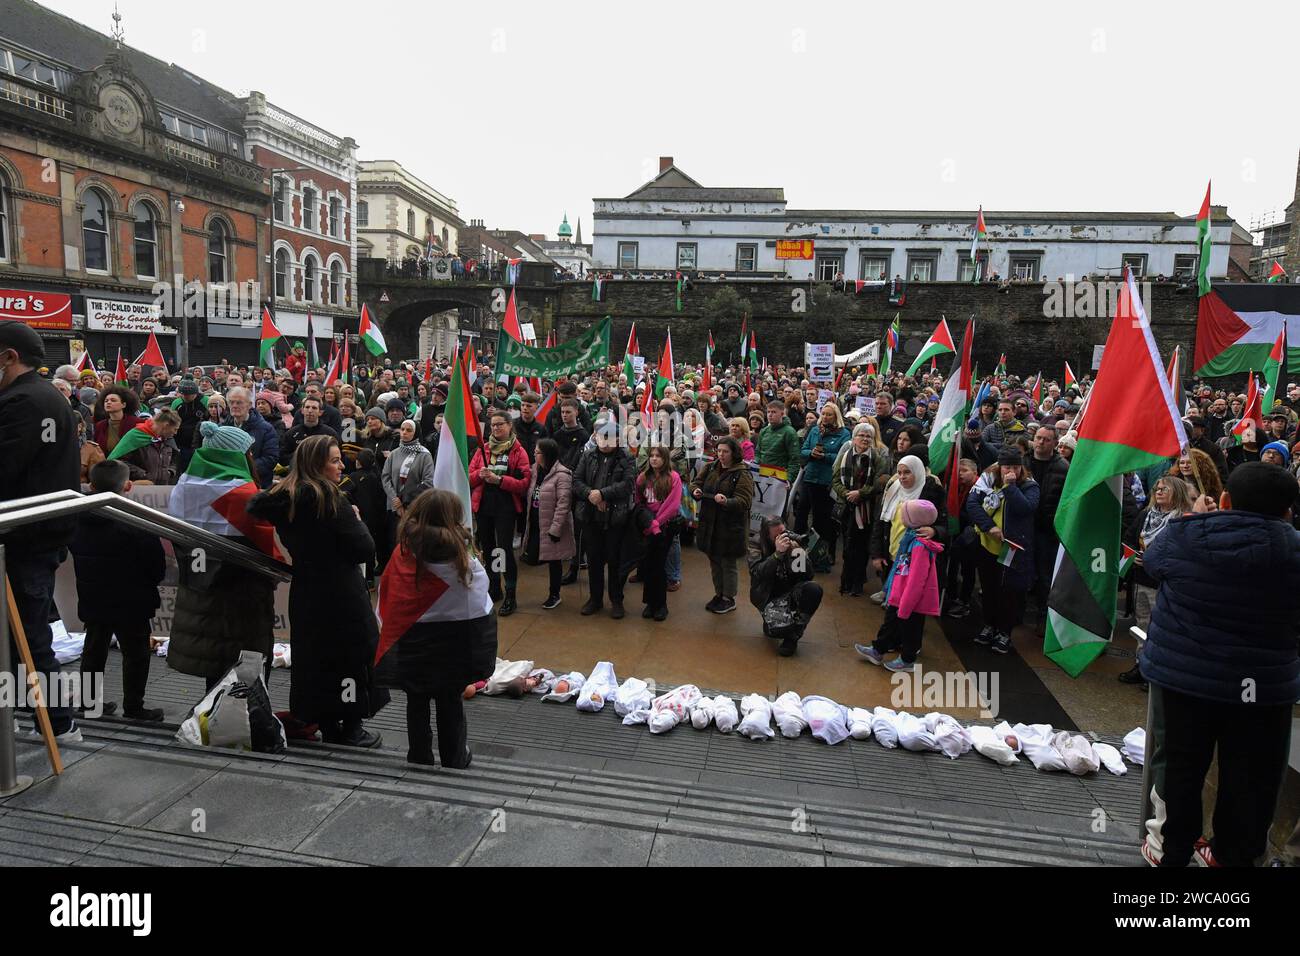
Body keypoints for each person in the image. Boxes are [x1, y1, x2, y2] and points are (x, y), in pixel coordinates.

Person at [1139, 462, 1300, 867]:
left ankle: (1169, 847)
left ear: (1225, 500)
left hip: (1183, 681)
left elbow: (1152, 564)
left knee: (1177, 764)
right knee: (1252, 774)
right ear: (1287, 512)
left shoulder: (1184, 534)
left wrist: (1198, 519)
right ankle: (1234, 854)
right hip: (1262, 688)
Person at [248, 435, 386, 748]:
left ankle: (326, 723)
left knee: (317, 658)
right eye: (335, 460)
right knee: (351, 657)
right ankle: (351, 727)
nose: (342, 465)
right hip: (342, 593)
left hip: (308, 590)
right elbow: (363, 548)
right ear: (316, 463)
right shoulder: (330, 500)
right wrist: (357, 520)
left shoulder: (285, 499)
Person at [0, 321, 83, 740]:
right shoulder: (37, 396)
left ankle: (58, 723)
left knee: (29, 638)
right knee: (17, 637)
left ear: (9, 357)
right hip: (31, 537)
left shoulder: (24, 402)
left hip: (24, 540)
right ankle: (27, 714)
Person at [374, 489, 496, 768]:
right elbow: (480, 600)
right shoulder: (464, 558)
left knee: (416, 700)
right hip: (453, 646)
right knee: (450, 700)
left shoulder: (405, 551)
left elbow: (388, 596)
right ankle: (455, 758)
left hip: (413, 642)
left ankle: (419, 757)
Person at [166, 422, 277, 688]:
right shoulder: (242, 494)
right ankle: (242, 718)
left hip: (199, 585)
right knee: (243, 664)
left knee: (214, 662)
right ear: (235, 456)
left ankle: (210, 716)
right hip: (241, 594)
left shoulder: (185, 483)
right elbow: (269, 546)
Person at [71, 460, 166, 720]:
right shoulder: (138, 523)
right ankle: (134, 706)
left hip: (93, 596)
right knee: (135, 653)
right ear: (128, 485)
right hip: (132, 599)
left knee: (93, 649)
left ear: (91, 485)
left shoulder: (77, 518)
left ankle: (89, 704)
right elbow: (156, 566)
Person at [855, 499, 944, 672]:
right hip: (900, 592)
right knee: (891, 623)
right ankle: (878, 649)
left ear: (914, 519)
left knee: (910, 629)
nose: (900, 517)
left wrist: (906, 603)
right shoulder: (911, 536)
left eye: (904, 514)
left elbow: (917, 580)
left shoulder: (919, 546)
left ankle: (907, 660)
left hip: (911, 598)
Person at [966, 448, 1041, 654]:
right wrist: (988, 526)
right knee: (989, 588)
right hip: (988, 545)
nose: (1011, 471)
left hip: (1012, 549)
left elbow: (1025, 508)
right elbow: (972, 504)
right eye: (1007, 467)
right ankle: (989, 624)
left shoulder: (1029, 486)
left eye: (1016, 468)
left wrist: (1010, 487)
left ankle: (1004, 631)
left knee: (1008, 591)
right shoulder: (987, 480)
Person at [469, 411, 531, 616]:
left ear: (509, 426)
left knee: (503, 550)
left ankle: (510, 592)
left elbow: (523, 483)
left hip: (505, 506)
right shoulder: (483, 450)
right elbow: (469, 477)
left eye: (499, 425)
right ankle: (494, 586)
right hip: (484, 506)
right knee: (488, 548)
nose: (495, 428)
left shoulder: (518, 451)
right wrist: (480, 475)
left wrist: (500, 481)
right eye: (493, 425)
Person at [572, 420, 635, 618]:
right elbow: (576, 480)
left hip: (615, 517)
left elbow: (628, 484)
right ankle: (595, 599)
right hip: (591, 516)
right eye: (601, 437)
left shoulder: (626, 457)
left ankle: (616, 601)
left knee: (615, 560)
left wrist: (603, 494)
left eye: (609, 437)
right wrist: (591, 494)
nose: (605, 441)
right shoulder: (588, 455)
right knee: (594, 559)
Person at [690, 435, 755, 614]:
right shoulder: (710, 467)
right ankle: (719, 593)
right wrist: (695, 490)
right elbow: (695, 482)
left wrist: (727, 501)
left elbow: (745, 501)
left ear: (734, 453)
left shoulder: (742, 474)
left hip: (730, 527)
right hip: (710, 523)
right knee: (714, 560)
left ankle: (729, 597)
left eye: (725, 451)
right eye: (719, 451)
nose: (721, 455)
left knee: (728, 563)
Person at [748, 516, 822, 656]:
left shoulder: (792, 541)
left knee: (813, 590)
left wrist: (799, 554)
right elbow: (757, 573)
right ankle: (773, 623)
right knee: (776, 632)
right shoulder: (755, 543)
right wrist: (777, 555)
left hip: (790, 592)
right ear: (766, 535)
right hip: (768, 596)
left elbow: (807, 577)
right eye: (776, 535)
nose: (782, 537)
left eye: (783, 532)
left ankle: (792, 638)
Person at [831, 421, 890, 597]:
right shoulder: (845, 455)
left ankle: (857, 582)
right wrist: (847, 494)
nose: (865, 439)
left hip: (867, 510)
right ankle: (846, 581)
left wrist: (860, 493)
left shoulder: (878, 458)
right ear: (854, 437)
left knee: (861, 547)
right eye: (861, 435)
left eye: (868, 436)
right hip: (847, 506)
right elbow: (835, 479)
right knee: (848, 547)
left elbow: (879, 483)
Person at [796, 402, 851, 572]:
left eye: (829, 414)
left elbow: (843, 456)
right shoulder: (814, 430)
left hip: (829, 483)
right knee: (811, 519)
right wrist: (810, 454)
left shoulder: (844, 434)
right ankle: (812, 554)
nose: (825, 417)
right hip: (811, 479)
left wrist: (825, 456)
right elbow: (803, 450)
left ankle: (826, 556)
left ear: (836, 416)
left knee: (827, 521)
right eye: (824, 414)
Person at [525, 438, 575, 610]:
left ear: (547, 454)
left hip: (552, 524)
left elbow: (563, 503)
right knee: (534, 557)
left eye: (537, 452)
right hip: (536, 521)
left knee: (554, 561)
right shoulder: (534, 469)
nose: (534, 454)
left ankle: (555, 594)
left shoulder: (562, 474)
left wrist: (555, 528)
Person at [635, 446, 683, 621]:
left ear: (665, 459)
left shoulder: (673, 478)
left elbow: (672, 505)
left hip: (665, 527)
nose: (654, 459)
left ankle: (661, 605)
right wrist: (646, 521)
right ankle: (649, 603)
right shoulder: (642, 478)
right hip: (647, 525)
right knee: (648, 564)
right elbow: (638, 500)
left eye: (658, 456)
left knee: (659, 565)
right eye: (651, 456)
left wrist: (656, 523)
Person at [1027, 425, 1070, 621]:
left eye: (1046, 439)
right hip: (1024, 526)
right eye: (1038, 438)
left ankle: (1044, 615)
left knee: (1045, 574)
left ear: (1054, 443)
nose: (1041, 442)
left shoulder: (1063, 468)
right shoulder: (1024, 461)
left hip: (1047, 530)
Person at [382, 420, 434, 563]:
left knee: (414, 547)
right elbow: (385, 478)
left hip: (415, 508)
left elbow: (428, 482)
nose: (404, 433)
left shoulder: (424, 455)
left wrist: (404, 500)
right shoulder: (394, 454)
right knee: (396, 546)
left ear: (416, 433)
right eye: (402, 429)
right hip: (395, 508)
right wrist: (396, 501)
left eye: (408, 430)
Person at [222, 386, 279, 488]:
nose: (234, 405)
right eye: (231, 402)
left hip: (256, 484)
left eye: (239, 402)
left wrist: (243, 467)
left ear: (249, 405)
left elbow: (271, 459)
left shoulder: (266, 429)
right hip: (228, 485)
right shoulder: (222, 429)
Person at [106, 408, 180, 485]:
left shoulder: (168, 439)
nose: (176, 433)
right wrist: (143, 475)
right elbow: (117, 461)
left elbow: (175, 459)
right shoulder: (135, 436)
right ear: (166, 425)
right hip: (139, 489)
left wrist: (170, 472)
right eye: (175, 429)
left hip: (161, 489)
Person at [279, 396, 340, 466]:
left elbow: (336, 457)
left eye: (314, 408)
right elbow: (282, 458)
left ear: (320, 412)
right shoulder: (291, 433)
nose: (310, 410)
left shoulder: (329, 433)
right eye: (307, 407)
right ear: (302, 410)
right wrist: (301, 455)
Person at [93, 385, 143, 456]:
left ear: (124, 405)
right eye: (106, 401)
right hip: (107, 464)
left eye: (113, 400)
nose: (108, 402)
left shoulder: (137, 423)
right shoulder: (100, 426)